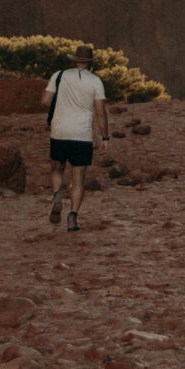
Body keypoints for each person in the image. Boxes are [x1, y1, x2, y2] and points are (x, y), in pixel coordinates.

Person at [43, 43, 109, 230]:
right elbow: (100, 112)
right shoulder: (96, 82)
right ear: (90, 63)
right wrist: (105, 138)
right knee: (78, 179)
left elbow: (45, 100)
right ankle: (72, 217)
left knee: (57, 168)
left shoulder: (59, 75)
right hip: (82, 135)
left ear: (75, 60)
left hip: (59, 131)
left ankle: (57, 195)